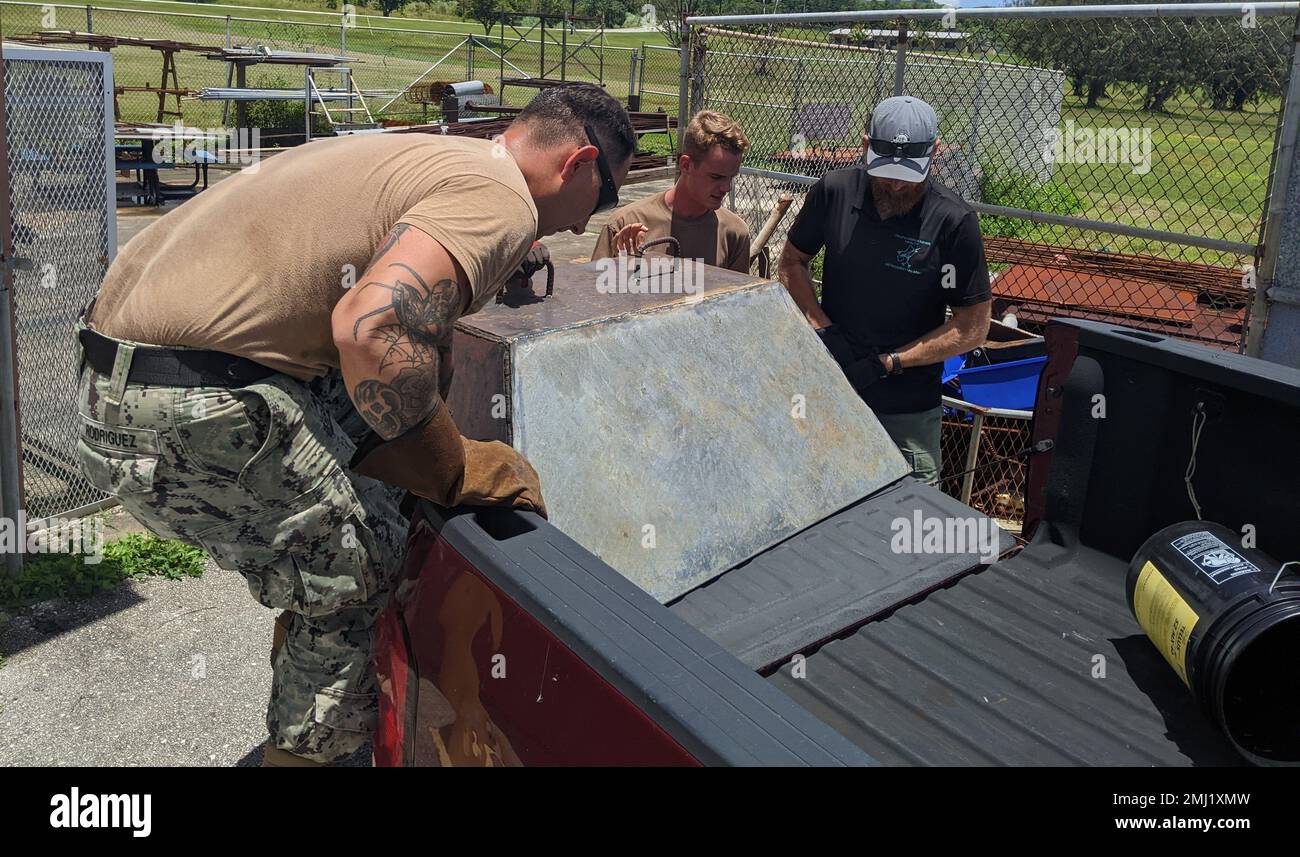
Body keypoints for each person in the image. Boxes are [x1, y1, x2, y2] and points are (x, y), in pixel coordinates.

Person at [75, 85, 637, 765]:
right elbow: (373, 328)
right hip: (188, 407)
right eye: (604, 198)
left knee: (370, 515)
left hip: (114, 382)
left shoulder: (442, 157)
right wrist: (452, 466)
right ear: (579, 162)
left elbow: (414, 335)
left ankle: (308, 644)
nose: (586, 226)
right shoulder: (503, 199)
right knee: (351, 575)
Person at [779, 95, 991, 486]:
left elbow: (972, 326)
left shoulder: (953, 221)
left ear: (936, 152)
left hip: (907, 409)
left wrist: (893, 362)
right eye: (886, 171)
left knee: (907, 514)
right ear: (865, 146)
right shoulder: (835, 192)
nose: (895, 184)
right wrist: (825, 331)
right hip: (833, 388)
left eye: (908, 174)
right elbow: (792, 262)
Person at [590, 109, 751, 272]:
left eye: (731, 177)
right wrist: (622, 264)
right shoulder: (625, 224)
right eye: (716, 177)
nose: (726, 188)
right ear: (686, 165)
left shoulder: (734, 233)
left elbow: (739, 296)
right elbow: (591, 291)